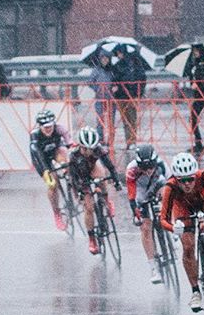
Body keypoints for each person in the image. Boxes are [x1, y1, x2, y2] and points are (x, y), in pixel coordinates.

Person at [160, 152, 204, 312]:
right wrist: (173, 228)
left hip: (202, 199)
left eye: (190, 179)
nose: (187, 184)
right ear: (176, 179)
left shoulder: (203, 177)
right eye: (182, 181)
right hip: (182, 208)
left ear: (195, 176)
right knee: (189, 246)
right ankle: (195, 291)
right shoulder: (170, 186)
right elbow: (163, 219)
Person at [69, 125, 122, 255]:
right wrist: (80, 191)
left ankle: (106, 200)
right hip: (80, 176)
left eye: (91, 149)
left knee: (101, 175)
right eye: (86, 149)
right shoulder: (74, 156)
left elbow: (111, 167)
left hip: (92, 168)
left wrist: (116, 181)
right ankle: (92, 238)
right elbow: (73, 179)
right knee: (89, 208)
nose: (89, 152)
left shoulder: (98, 150)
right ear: (81, 146)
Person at [125, 143, 169, 283]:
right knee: (145, 227)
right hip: (141, 191)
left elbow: (171, 184)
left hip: (158, 184)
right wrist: (135, 211)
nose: (149, 170)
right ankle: (153, 268)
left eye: (151, 166)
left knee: (166, 194)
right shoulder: (131, 170)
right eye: (144, 168)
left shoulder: (162, 165)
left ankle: (169, 227)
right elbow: (132, 196)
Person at [29, 109, 73, 231]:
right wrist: (46, 172)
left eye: (50, 126)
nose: (49, 129)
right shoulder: (35, 135)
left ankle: (75, 188)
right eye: (45, 128)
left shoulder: (60, 129)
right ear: (40, 126)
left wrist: (68, 164)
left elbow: (69, 144)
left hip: (56, 151)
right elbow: (38, 155)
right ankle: (57, 213)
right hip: (42, 159)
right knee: (53, 184)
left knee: (65, 157)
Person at [112, 44, 147, 150]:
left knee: (130, 119)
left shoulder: (131, 65)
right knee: (127, 120)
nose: (118, 55)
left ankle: (132, 141)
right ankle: (130, 141)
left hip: (128, 96)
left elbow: (136, 80)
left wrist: (137, 94)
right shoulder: (129, 65)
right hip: (123, 96)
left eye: (119, 53)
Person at [88, 49, 115, 143]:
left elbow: (117, 81)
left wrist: (115, 87)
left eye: (106, 58)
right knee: (100, 120)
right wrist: (98, 89)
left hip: (111, 99)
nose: (104, 60)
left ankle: (111, 140)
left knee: (111, 121)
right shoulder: (96, 70)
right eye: (102, 58)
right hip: (100, 99)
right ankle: (101, 139)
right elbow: (90, 82)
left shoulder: (112, 70)